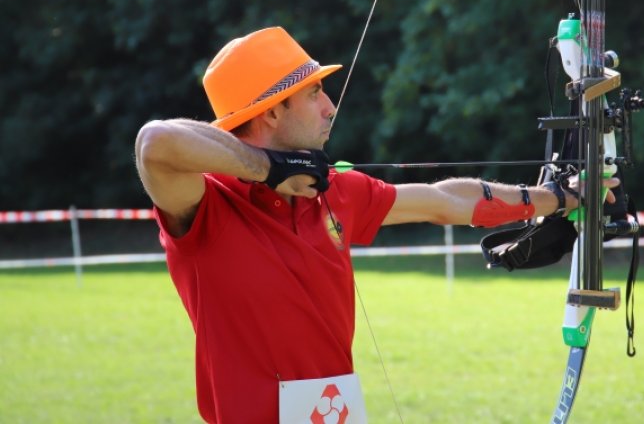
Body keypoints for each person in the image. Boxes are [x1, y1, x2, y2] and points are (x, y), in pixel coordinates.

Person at [134, 26, 617, 423]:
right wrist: (268, 169)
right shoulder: (208, 208)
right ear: (275, 108)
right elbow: (155, 142)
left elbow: (444, 200)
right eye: (314, 92)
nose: (330, 106)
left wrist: (558, 196)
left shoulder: (333, 191)